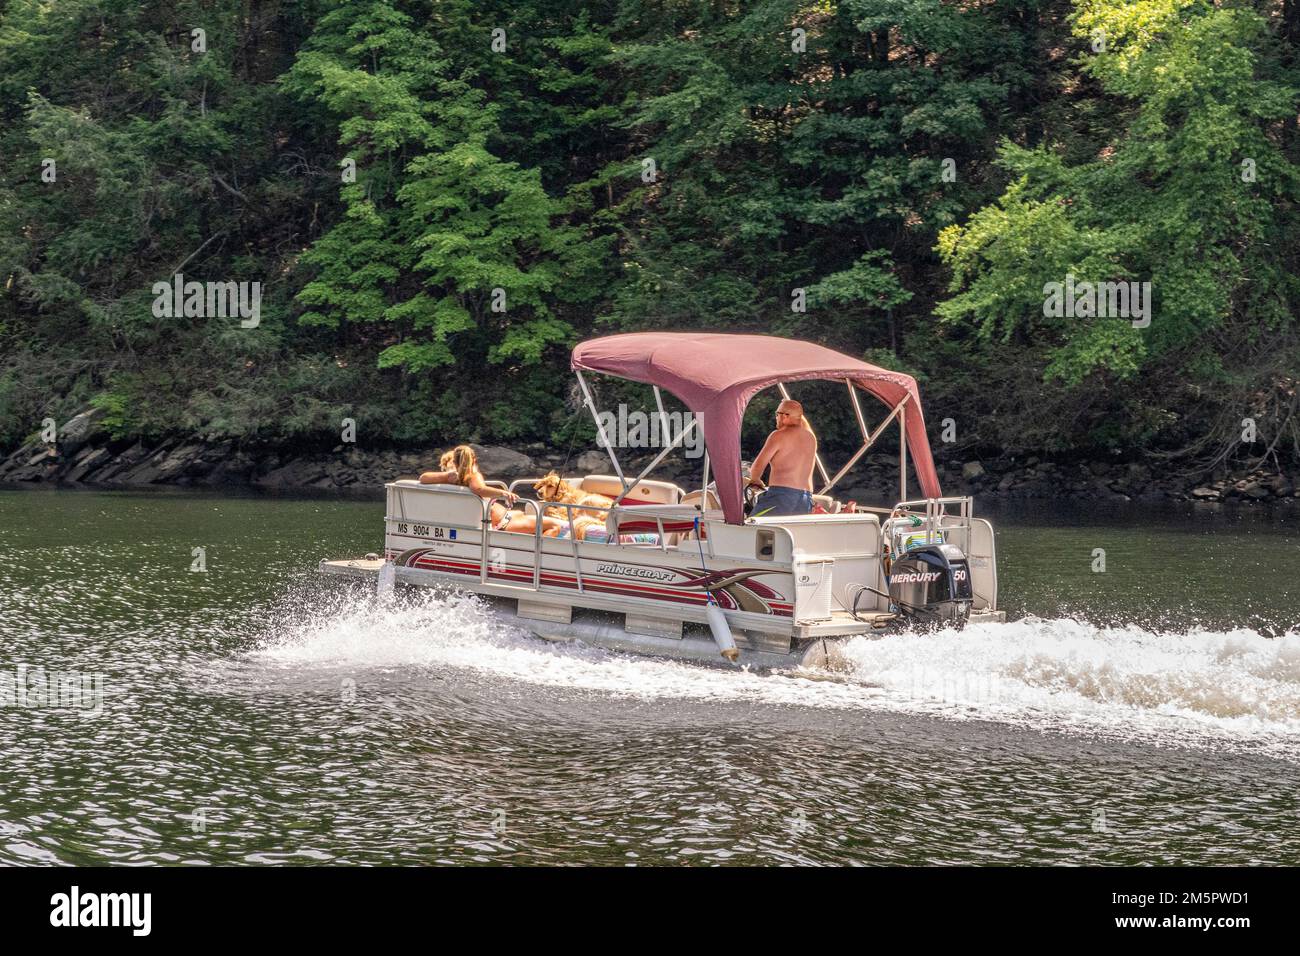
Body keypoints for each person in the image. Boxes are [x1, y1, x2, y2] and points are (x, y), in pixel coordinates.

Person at [419, 445, 563, 535]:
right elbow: (479, 488)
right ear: (474, 460)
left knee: (521, 512)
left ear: (454, 462)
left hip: (502, 518)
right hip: (503, 524)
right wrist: (503, 493)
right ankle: (536, 555)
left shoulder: (452, 477)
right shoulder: (472, 476)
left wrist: (447, 475)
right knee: (557, 525)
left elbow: (423, 478)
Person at [745, 399, 817, 516]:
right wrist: (792, 412)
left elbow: (757, 467)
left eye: (777, 414)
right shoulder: (811, 438)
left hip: (781, 496)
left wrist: (755, 479)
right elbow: (798, 420)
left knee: (751, 528)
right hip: (805, 499)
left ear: (784, 416)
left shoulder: (778, 436)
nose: (776, 417)